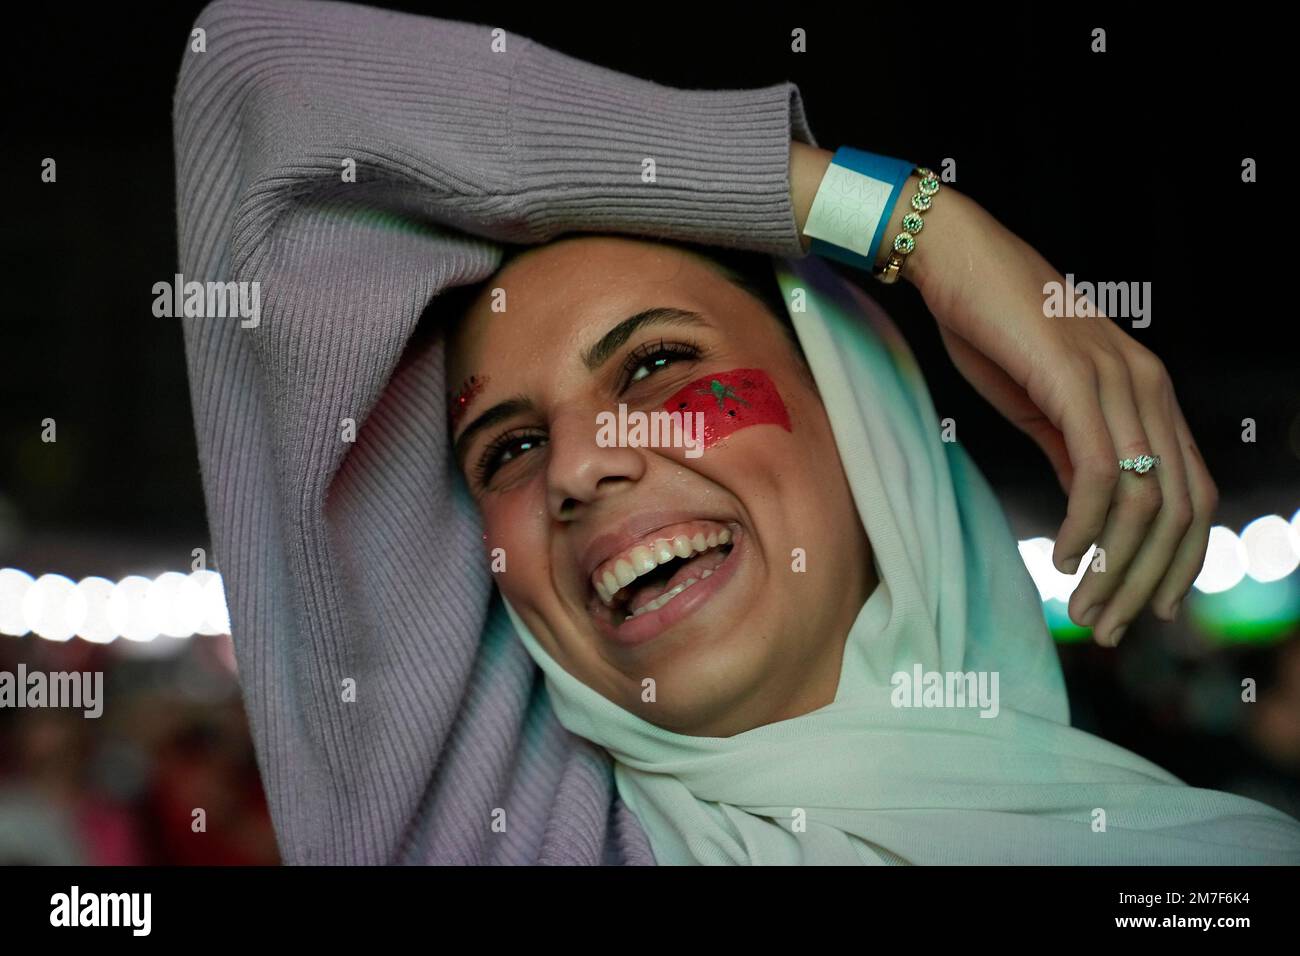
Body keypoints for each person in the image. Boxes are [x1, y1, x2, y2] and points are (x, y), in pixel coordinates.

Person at [173, 0, 1300, 863]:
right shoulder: (503, 831)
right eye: (506, 449)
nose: (573, 464)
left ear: (865, 418)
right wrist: (914, 224)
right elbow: (257, 85)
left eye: (658, 363)